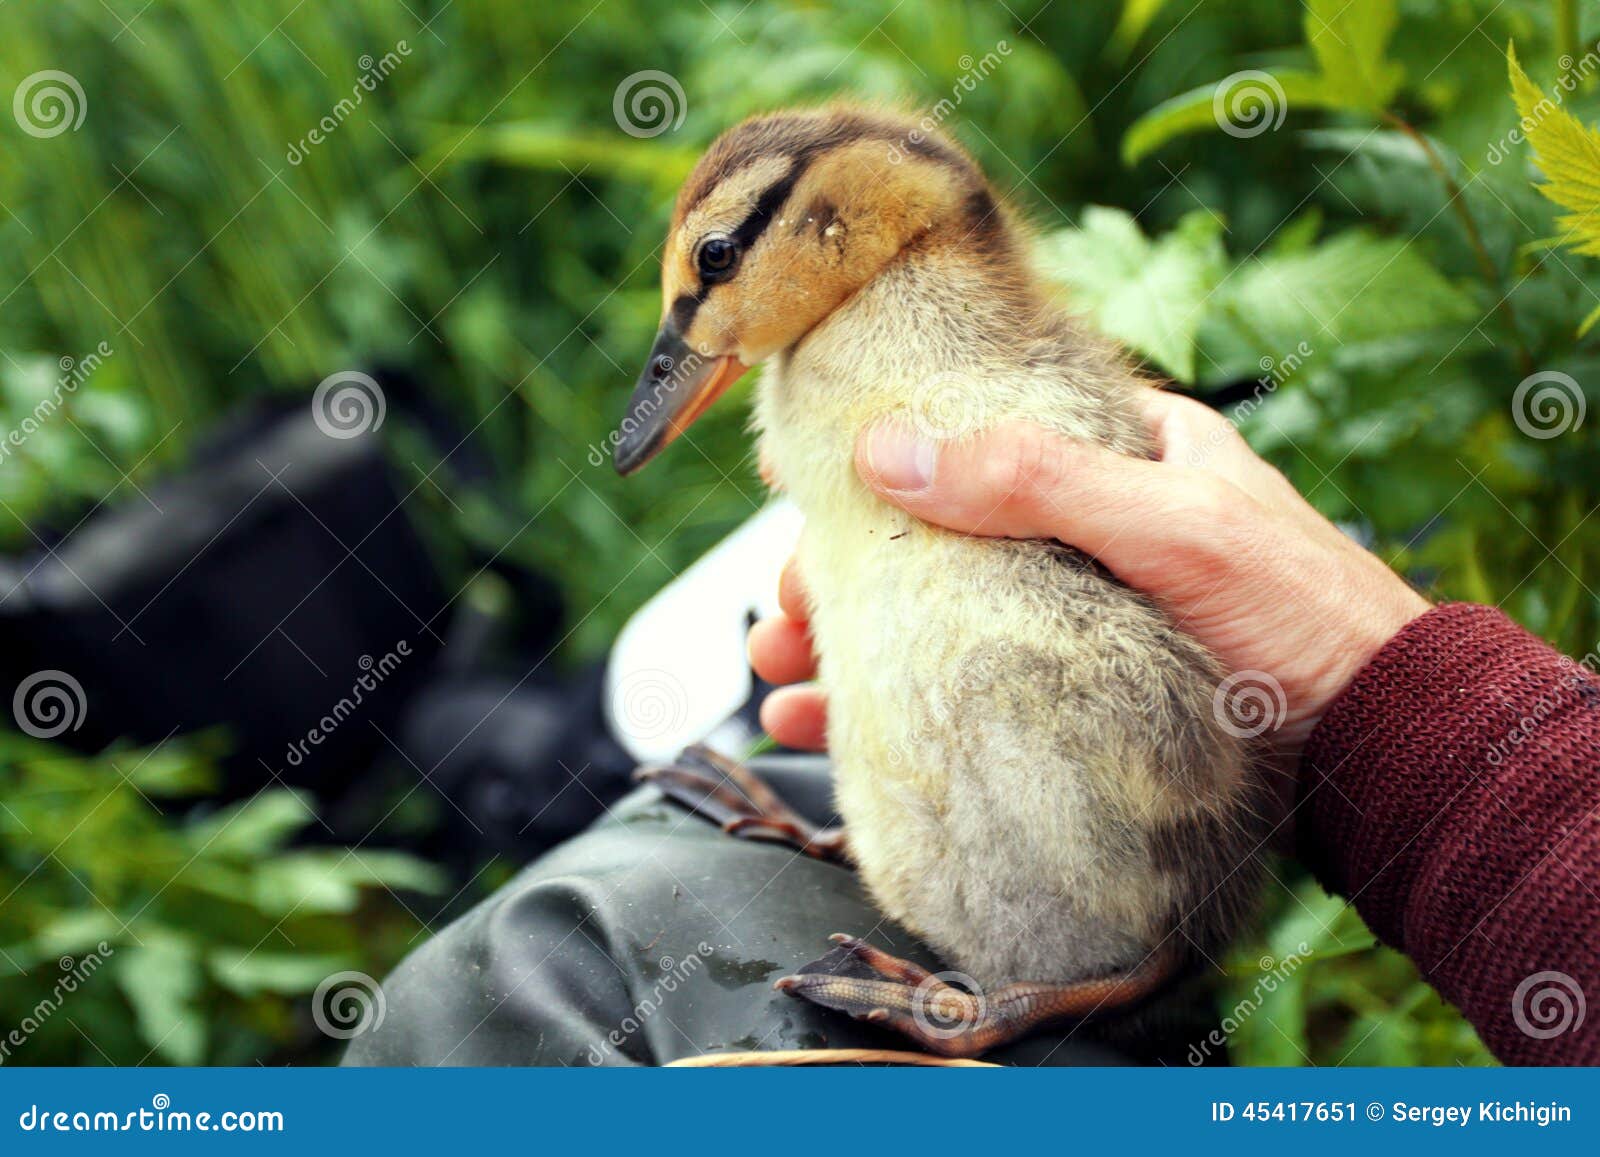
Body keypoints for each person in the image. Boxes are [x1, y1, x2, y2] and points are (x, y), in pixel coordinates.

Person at [750, 391, 1600, 1066]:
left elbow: (1180, 766)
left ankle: (1097, 991)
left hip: (1130, 906)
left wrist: (1383, 703)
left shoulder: (995, 396)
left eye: (716, 267)